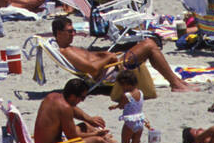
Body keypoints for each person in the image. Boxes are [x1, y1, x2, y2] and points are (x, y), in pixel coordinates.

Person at [34, 77, 156, 143]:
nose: (82, 101)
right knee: (98, 142)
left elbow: (73, 109)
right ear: (72, 96)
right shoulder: (65, 108)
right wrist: (95, 135)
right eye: (82, 98)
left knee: (86, 126)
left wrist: (89, 119)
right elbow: (73, 138)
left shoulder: (54, 97)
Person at [51, 15, 190, 93]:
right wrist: (109, 57)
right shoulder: (67, 51)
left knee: (149, 46)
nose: (73, 34)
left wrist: (106, 55)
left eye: (74, 31)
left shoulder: (70, 48)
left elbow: (91, 60)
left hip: (111, 66)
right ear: (59, 33)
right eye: (70, 31)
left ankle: (175, 81)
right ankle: (175, 83)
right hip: (109, 72)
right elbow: (92, 69)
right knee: (149, 44)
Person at [110, 67, 148, 143]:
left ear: (125, 84)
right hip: (140, 121)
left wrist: (115, 106)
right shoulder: (140, 92)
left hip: (130, 123)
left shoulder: (126, 95)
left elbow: (121, 106)